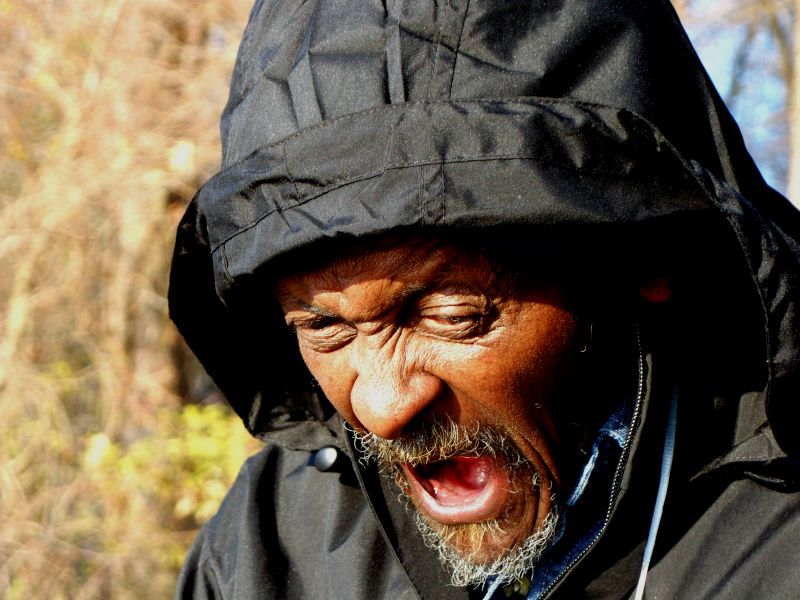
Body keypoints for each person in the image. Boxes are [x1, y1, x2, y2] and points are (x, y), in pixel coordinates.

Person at [168, 1, 800, 598]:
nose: (382, 408)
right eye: (324, 329)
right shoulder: (266, 548)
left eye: (453, 315)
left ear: (645, 254)